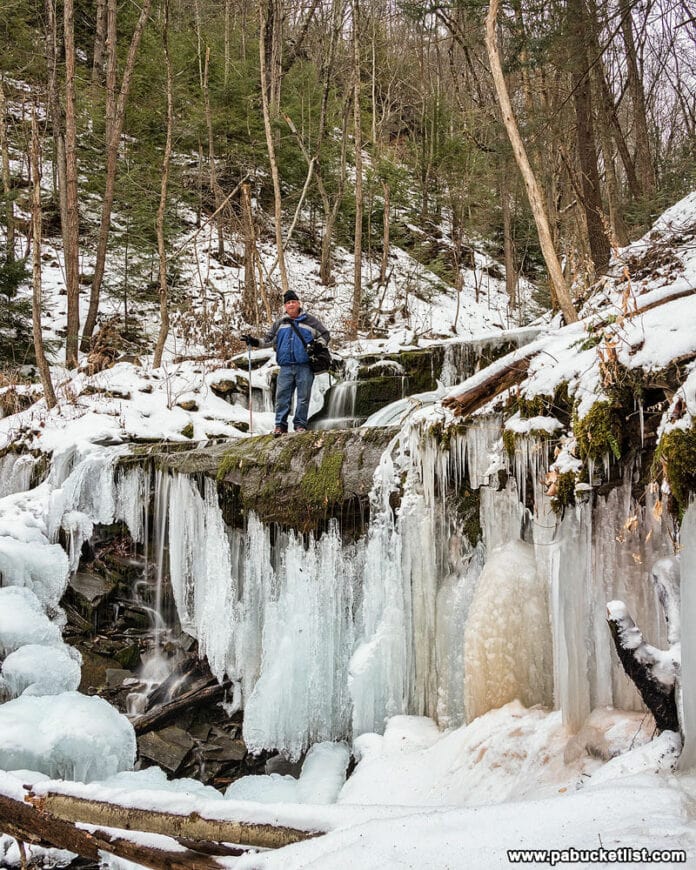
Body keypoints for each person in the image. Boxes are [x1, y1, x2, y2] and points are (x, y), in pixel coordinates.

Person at [242, 290, 330, 436]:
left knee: (303, 398)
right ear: (285, 306)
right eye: (288, 303)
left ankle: (300, 425)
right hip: (285, 367)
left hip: (305, 366)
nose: (290, 305)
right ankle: (280, 426)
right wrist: (255, 342)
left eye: (293, 302)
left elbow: (325, 334)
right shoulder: (280, 323)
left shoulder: (310, 320)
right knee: (282, 398)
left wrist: (319, 345)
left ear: (298, 303)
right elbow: (268, 340)